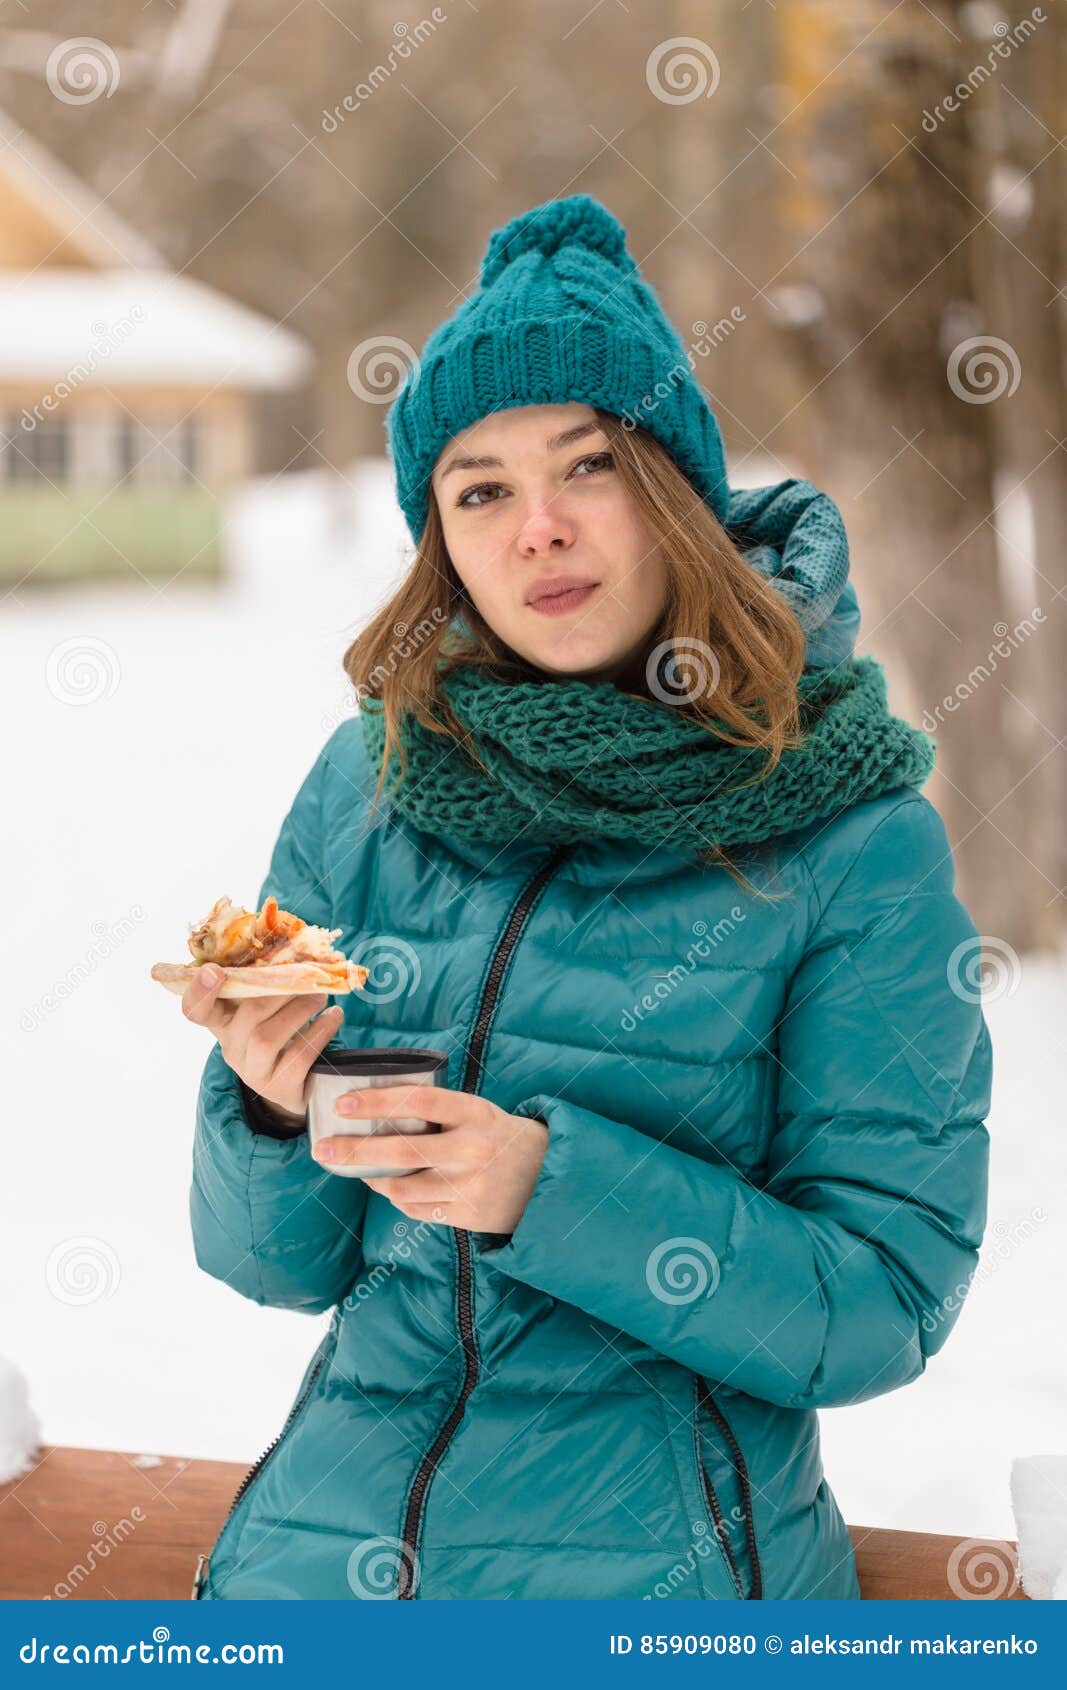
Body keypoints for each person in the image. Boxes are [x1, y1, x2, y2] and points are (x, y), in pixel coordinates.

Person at [184, 194, 992, 1602]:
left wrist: (547, 1190)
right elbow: (276, 1268)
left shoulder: (853, 837)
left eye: (589, 467)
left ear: (677, 491)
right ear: (441, 535)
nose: (539, 530)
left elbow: (883, 1301)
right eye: (481, 490)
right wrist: (266, 1103)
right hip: (314, 1574)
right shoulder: (373, 780)